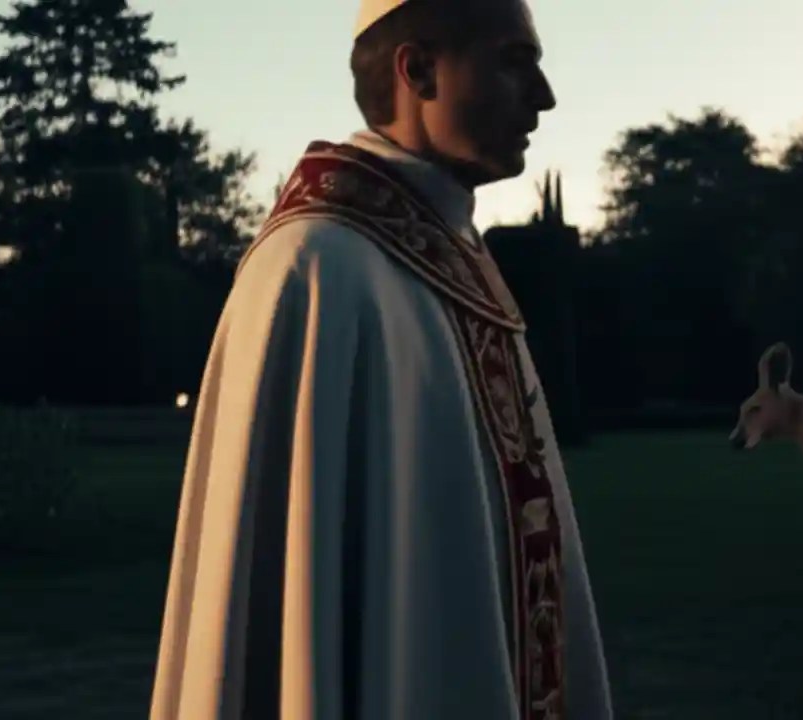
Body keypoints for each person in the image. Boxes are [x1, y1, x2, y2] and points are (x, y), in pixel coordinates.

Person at [148, 0, 613, 717]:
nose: (545, 97)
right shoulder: (317, 270)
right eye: (515, 62)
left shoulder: (452, 257)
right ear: (419, 70)